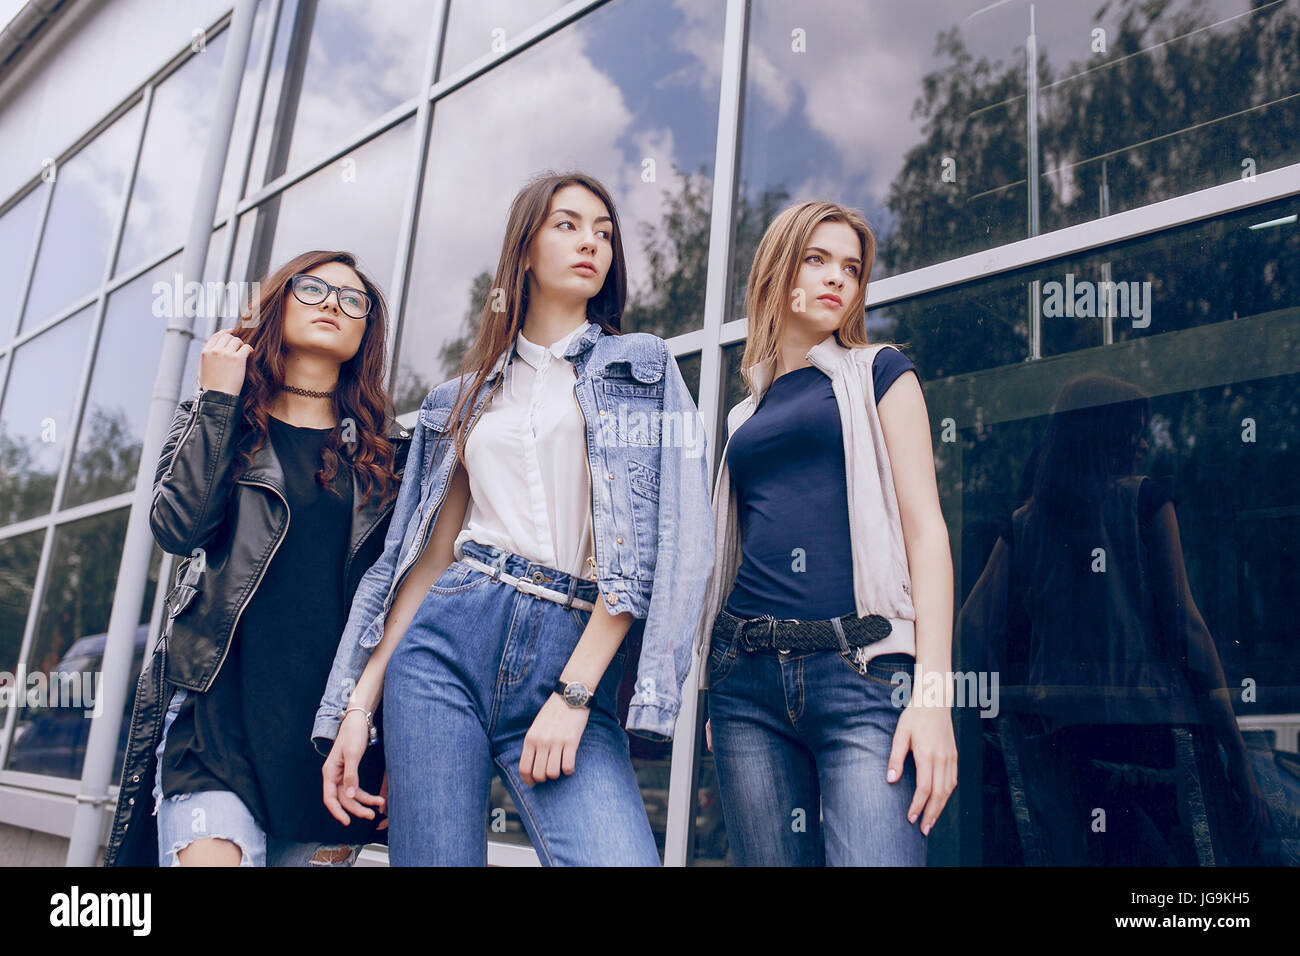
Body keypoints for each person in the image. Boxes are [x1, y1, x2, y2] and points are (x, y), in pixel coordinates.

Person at [313, 171, 714, 866]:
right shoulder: (456, 401)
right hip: (445, 644)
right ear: (524, 251)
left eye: (604, 231)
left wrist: (577, 689)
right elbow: (425, 562)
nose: (591, 241)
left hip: (572, 643)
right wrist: (355, 707)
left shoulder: (641, 368)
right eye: (568, 224)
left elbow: (672, 543)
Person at [105, 251, 409, 866]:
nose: (333, 303)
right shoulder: (221, 420)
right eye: (314, 288)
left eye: (354, 300)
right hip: (215, 718)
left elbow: (402, 600)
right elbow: (177, 528)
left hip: (323, 738)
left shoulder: (387, 456)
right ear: (278, 301)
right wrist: (218, 401)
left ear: (365, 331)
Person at [695, 200, 957, 865]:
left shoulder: (882, 372)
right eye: (817, 260)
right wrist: (715, 679)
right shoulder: (742, 413)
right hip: (745, 679)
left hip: (862, 673)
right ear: (779, 273)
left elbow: (927, 533)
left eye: (851, 267)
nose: (837, 278)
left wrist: (932, 699)